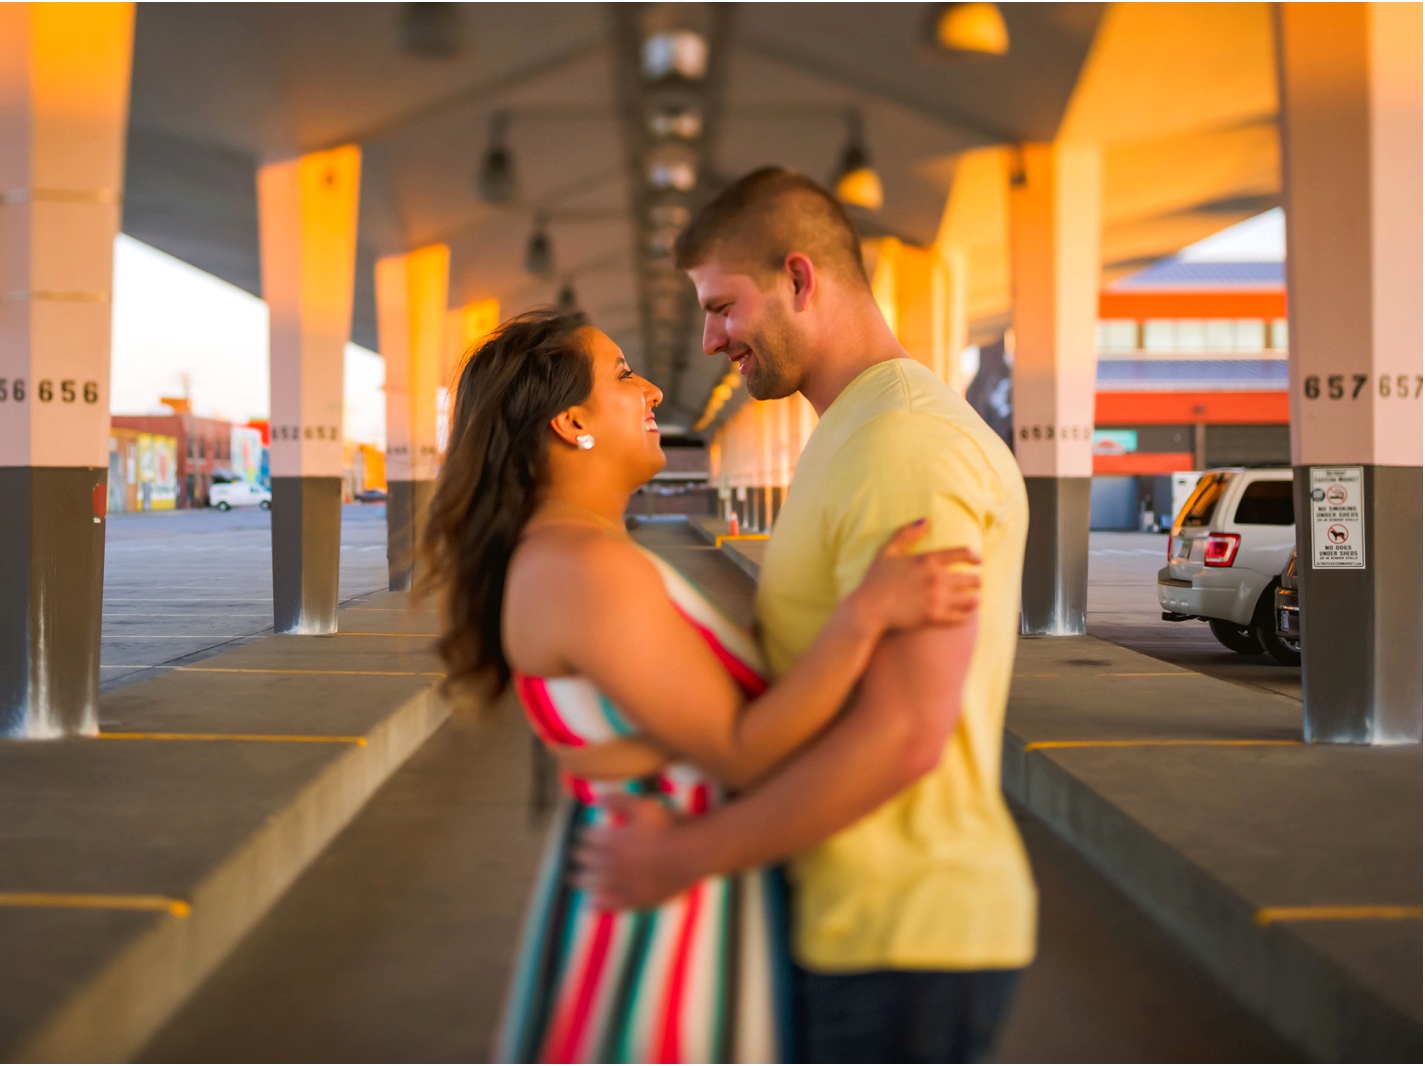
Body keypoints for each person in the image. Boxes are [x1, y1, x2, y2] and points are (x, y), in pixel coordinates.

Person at [418, 309, 983, 1063]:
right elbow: (744, 751)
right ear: (571, 423)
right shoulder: (586, 568)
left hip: (663, 889)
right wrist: (866, 611)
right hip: (658, 923)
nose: (652, 389)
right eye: (622, 374)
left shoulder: (576, 554)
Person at [574, 168, 1037, 1064]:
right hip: (860, 924)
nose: (708, 340)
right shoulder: (854, 434)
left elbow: (906, 732)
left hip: (906, 939)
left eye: (722, 307)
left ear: (799, 277)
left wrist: (686, 855)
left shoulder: (903, 444)